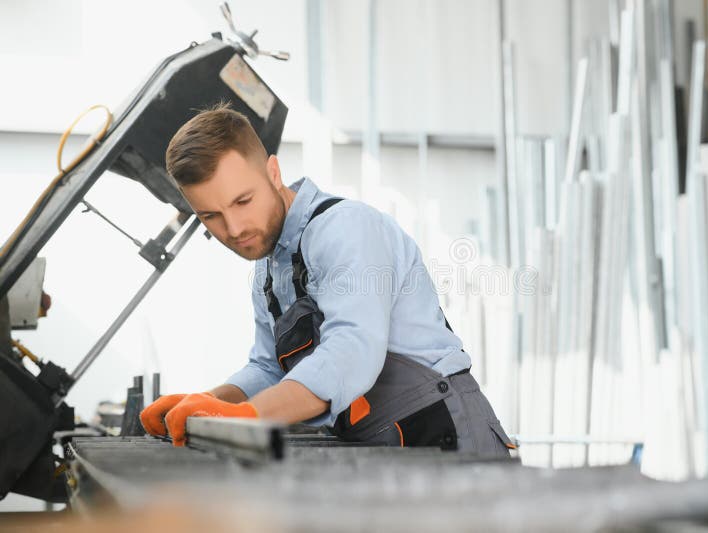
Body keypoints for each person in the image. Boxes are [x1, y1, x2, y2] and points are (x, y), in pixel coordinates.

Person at [139, 103, 515, 456]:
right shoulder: (270, 268)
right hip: (382, 445)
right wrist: (207, 405)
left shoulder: (344, 228)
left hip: (445, 434)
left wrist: (247, 418)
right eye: (211, 216)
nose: (234, 229)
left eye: (243, 201)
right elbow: (268, 368)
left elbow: (350, 352)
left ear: (273, 172)